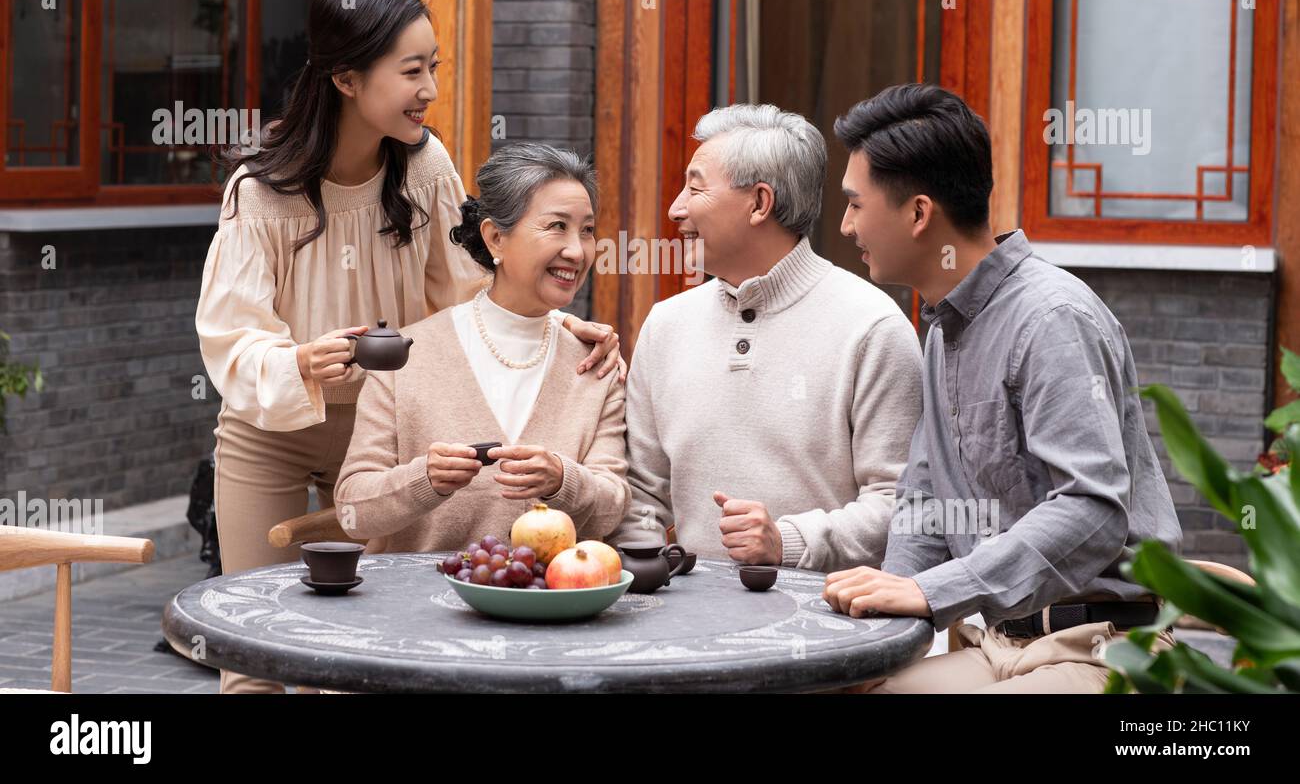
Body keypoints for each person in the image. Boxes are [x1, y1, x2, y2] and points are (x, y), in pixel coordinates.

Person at [195, 0, 624, 694]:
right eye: (412, 70)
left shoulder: (424, 166)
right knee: (255, 647)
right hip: (271, 427)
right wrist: (299, 358)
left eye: (434, 67)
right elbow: (229, 333)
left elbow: (472, 287)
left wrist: (552, 321)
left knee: (351, 647)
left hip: (384, 430)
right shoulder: (261, 189)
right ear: (347, 78)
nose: (429, 88)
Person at [823, 83, 1182, 693]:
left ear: (917, 213)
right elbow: (926, 497)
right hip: (999, 645)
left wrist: (929, 591)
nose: (846, 224)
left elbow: (1090, 510)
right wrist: (885, 612)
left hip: (1102, 648)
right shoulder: (941, 327)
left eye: (856, 204)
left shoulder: (1052, 319)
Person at [611, 104, 923, 572]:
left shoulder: (873, 327)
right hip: (686, 624)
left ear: (759, 203)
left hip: (831, 628)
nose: (676, 209)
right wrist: (648, 583)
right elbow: (640, 494)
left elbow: (901, 504)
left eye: (695, 188)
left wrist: (789, 541)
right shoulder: (665, 325)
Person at [335, 143, 631, 552]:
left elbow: (613, 507)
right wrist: (424, 480)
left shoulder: (595, 363)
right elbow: (352, 509)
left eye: (587, 230)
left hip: (551, 603)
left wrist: (564, 480)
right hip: (417, 605)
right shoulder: (408, 358)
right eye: (557, 226)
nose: (577, 251)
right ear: (495, 238)